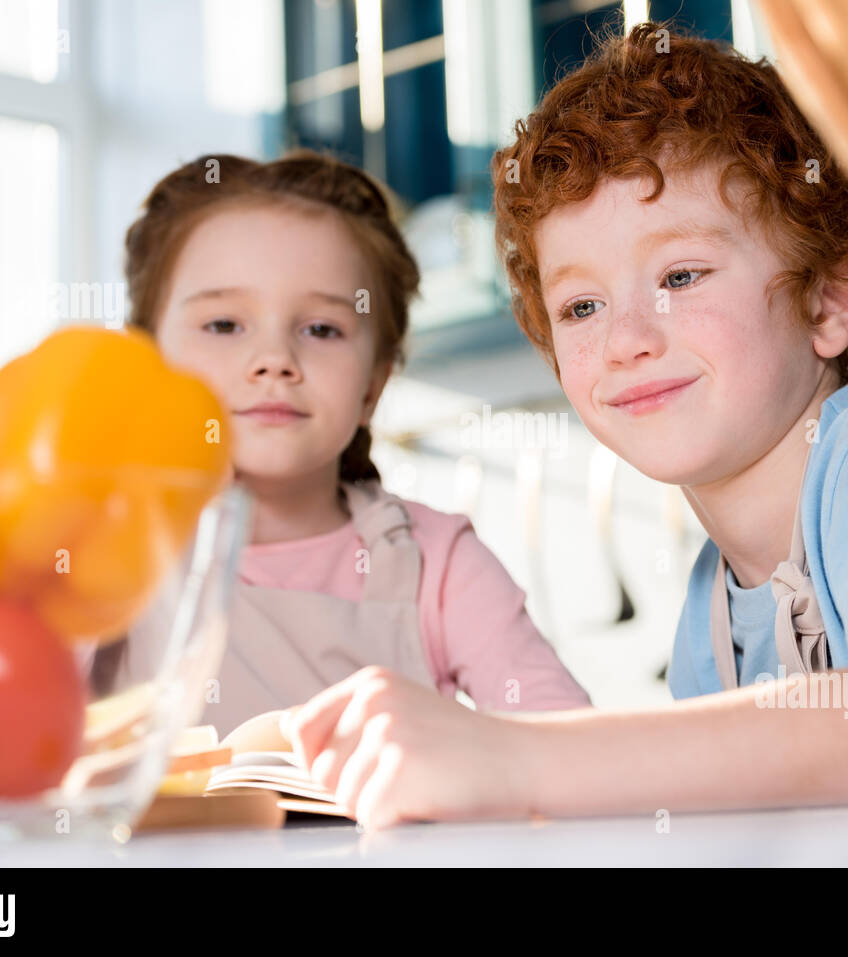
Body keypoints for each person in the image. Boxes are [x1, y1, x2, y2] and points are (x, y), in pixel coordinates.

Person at [283, 24, 848, 828]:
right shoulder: (712, 601)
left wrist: (517, 757)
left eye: (680, 275)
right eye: (582, 306)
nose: (626, 338)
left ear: (831, 301)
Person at [111, 150, 590, 732]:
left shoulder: (434, 561)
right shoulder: (93, 548)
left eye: (321, 329)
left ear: (374, 384)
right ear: (143, 363)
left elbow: (567, 743)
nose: (274, 361)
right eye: (224, 325)